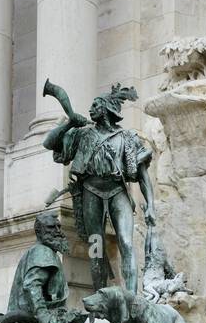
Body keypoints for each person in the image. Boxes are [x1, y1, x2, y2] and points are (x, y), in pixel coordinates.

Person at [42, 81, 156, 294]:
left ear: (106, 110)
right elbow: (48, 143)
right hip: (91, 194)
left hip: (117, 192)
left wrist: (150, 205)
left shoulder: (126, 138)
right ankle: (100, 302)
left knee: (127, 243)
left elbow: (142, 175)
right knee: (96, 249)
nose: (90, 109)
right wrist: (68, 124)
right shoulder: (82, 134)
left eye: (96, 105)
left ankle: (131, 299)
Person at [0, 211, 85, 323]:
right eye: (51, 227)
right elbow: (32, 285)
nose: (57, 231)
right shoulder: (42, 252)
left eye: (58, 226)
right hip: (35, 318)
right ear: (39, 231)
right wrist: (44, 316)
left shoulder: (44, 252)